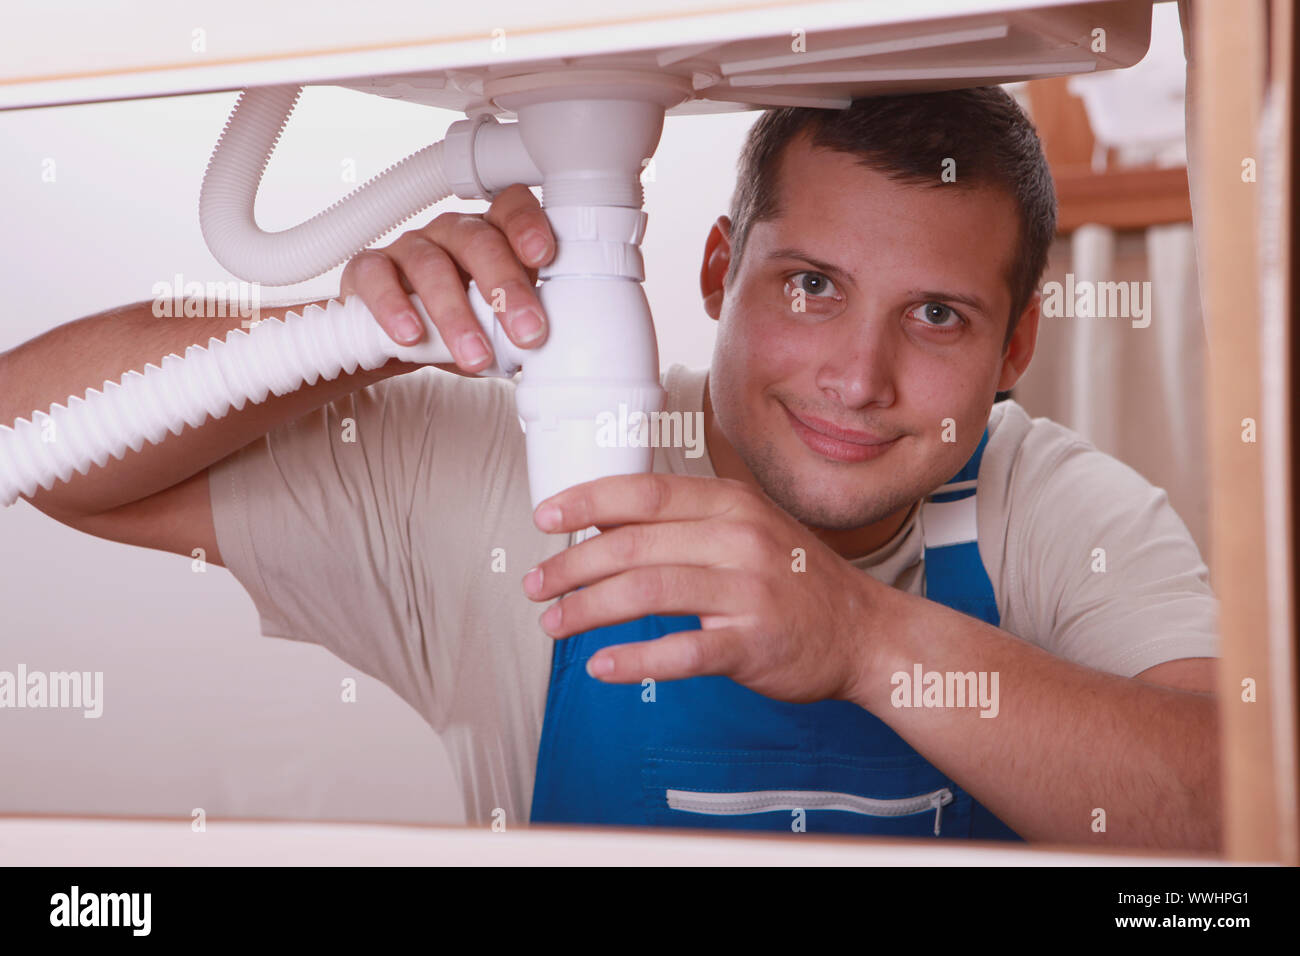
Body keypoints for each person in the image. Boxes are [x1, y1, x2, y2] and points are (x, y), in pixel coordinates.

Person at [5, 87, 1220, 849]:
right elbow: (42, 440)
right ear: (713, 274)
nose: (859, 377)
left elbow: (1232, 810)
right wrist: (356, 338)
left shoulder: (1060, 510)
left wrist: (862, 636)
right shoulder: (515, 479)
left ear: (1016, 344)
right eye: (811, 285)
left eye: (939, 316)